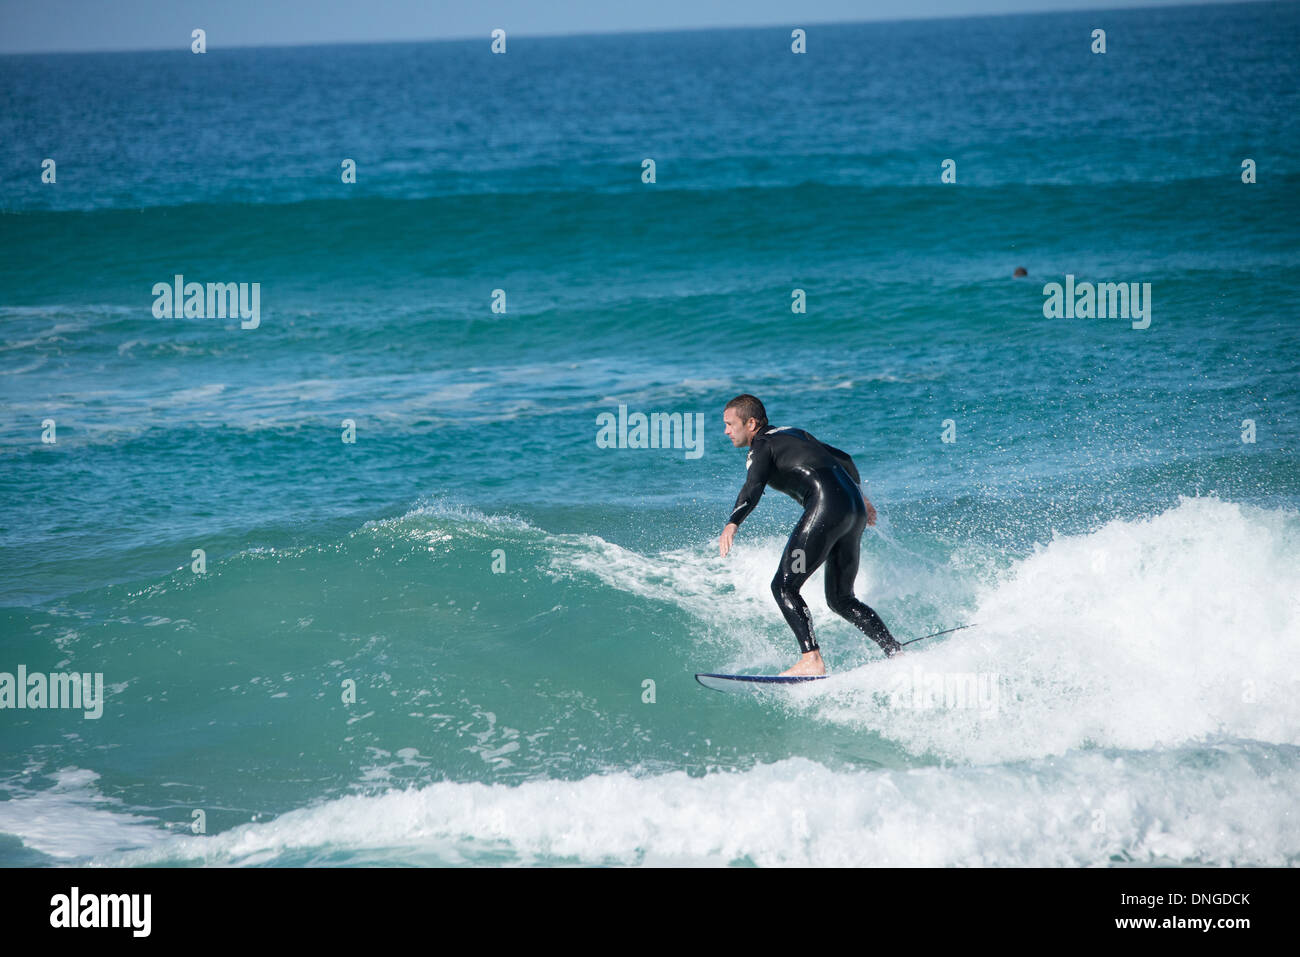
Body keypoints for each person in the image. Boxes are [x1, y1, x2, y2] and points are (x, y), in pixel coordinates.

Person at [718, 394, 902, 675]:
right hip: (853, 510)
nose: (726, 431)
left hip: (826, 507)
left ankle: (811, 659)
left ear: (751, 423)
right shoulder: (794, 433)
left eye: (730, 424)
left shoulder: (762, 445)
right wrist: (862, 498)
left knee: (783, 586)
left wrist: (733, 522)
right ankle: (894, 652)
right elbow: (845, 459)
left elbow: (752, 487)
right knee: (841, 598)